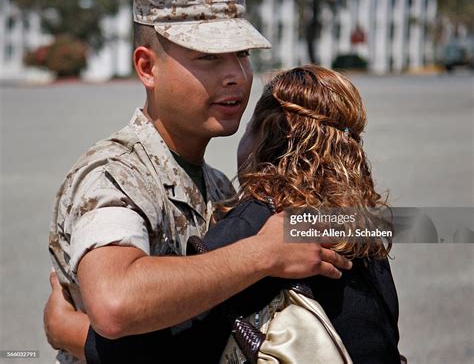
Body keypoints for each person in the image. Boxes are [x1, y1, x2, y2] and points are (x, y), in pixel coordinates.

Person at [47, 0, 352, 364]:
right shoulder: (113, 173)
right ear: (147, 67)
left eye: (241, 54)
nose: (235, 77)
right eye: (208, 57)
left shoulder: (220, 186)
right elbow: (115, 303)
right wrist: (260, 254)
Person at [46, 65, 401, 364]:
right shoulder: (358, 228)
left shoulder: (256, 224)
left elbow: (153, 349)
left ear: (264, 137)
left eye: (248, 129)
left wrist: (65, 330)